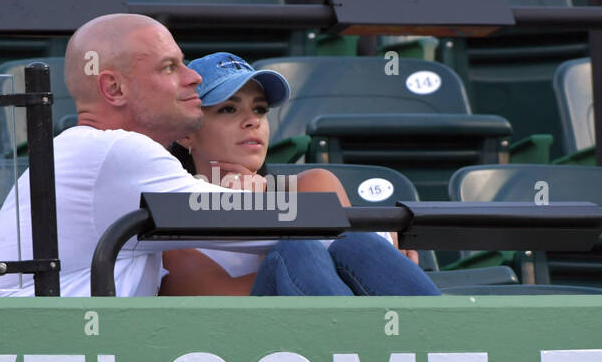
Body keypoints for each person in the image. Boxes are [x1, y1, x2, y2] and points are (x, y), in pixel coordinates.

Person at [0, 14, 439, 297]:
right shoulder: (114, 152)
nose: (191, 79)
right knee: (307, 244)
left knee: (342, 244)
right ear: (114, 87)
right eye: (171, 67)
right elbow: (302, 226)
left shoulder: (103, 152)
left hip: (47, 360)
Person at [160, 52, 432, 296]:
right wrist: (256, 215)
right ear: (186, 133)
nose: (252, 121)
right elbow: (228, 315)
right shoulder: (170, 219)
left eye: (260, 109)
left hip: (351, 333)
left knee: (354, 242)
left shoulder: (313, 185)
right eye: (229, 109)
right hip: (264, 343)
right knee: (298, 249)